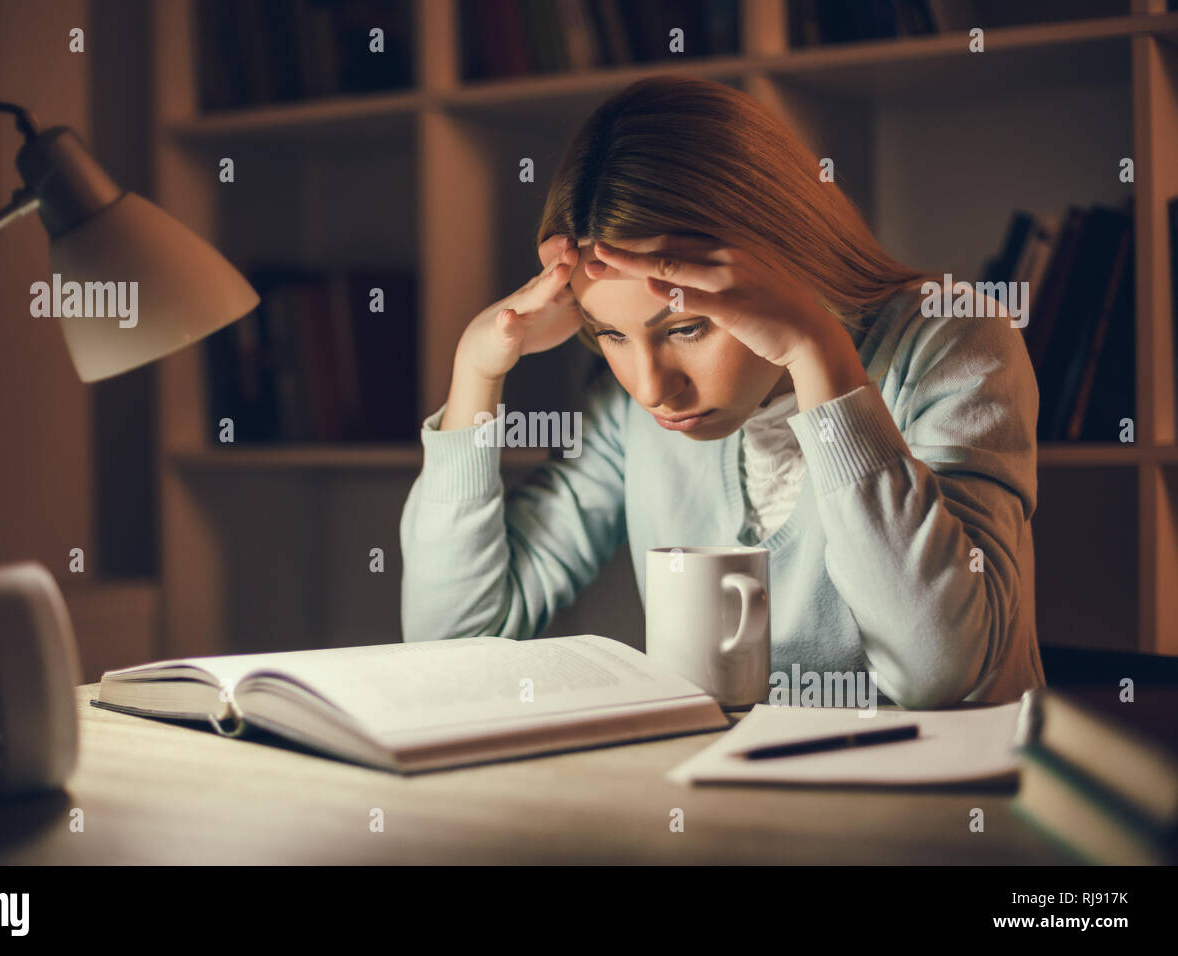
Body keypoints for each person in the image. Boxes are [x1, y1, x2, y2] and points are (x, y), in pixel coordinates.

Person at [399, 76, 1043, 708]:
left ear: (786, 258)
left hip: (936, 809)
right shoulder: (627, 414)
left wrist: (814, 351)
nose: (654, 390)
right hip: (714, 806)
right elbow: (449, 644)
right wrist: (475, 373)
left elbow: (939, 671)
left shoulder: (955, 340)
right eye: (611, 337)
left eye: (685, 327)